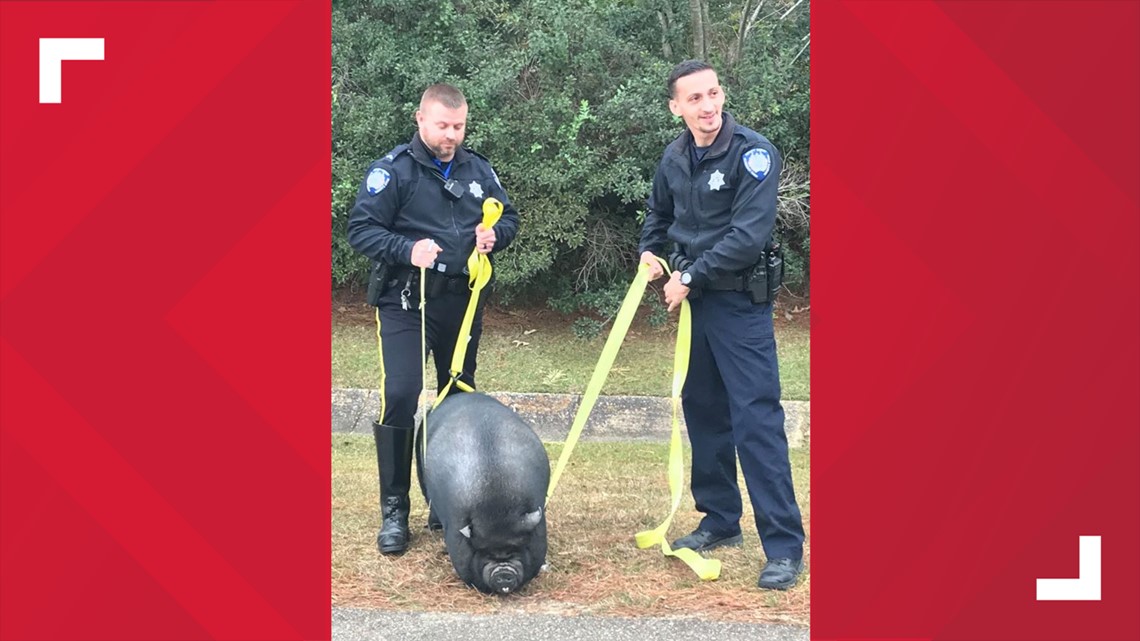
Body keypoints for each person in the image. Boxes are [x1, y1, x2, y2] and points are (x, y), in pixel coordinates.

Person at [638, 60, 805, 590]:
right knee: (704, 412)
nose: (708, 106)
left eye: (713, 94)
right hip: (696, 307)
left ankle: (782, 545)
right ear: (676, 107)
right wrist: (649, 251)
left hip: (738, 305)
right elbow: (657, 216)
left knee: (755, 420)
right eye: (695, 99)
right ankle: (720, 521)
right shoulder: (674, 155)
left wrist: (687, 274)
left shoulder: (752, 154)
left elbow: (747, 236)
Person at [347, 83, 520, 555]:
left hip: (461, 301)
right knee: (401, 393)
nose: (451, 135)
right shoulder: (393, 171)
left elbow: (510, 219)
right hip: (405, 300)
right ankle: (395, 510)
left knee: (457, 394)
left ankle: (448, 504)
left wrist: (493, 236)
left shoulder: (478, 168)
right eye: (443, 125)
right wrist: (407, 249)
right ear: (420, 119)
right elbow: (360, 229)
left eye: (459, 126)